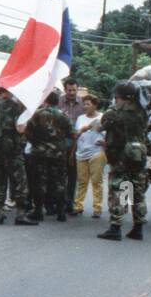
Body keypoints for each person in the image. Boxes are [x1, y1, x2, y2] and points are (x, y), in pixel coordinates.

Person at [95, 82, 149, 240]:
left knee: (117, 189)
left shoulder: (113, 112)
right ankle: (138, 228)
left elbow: (100, 127)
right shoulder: (141, 111)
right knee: (136, 191)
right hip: (138, 156)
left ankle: (115, 227)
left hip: (120, 156)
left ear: (118, 96)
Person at [0, 84, 36, 226]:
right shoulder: (14, 106)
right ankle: (20, 215)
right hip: (12, 148)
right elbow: (20, 129)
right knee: (20, 181)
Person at [26, 91, 73, 222]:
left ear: (45, 100)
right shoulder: (63, 115)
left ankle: (38, 211)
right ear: (57, 102)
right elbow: (71, 133)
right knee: (59, 182)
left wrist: (36, 143)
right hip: (58, 153)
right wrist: (62, 145)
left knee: (39, 182)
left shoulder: (37, 114)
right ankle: (61, 212)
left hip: (39, 153)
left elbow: (27, 131)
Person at [72, 94, 105, 218]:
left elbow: (107, 133)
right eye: (84, 104)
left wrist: (104, 143)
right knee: (82, 181)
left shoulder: (102, 117)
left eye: (88, 104)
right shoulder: (80, 118)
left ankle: (97, 208)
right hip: (81, 152)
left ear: (95, 105)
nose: (85, 106)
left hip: (96, 152)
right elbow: (76, 134)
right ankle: (78, 206)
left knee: (97, 181)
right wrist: (83, 130)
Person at [58, 77, 83, 214]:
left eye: (74, 90)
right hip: (60, 142)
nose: (72, 93)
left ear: (77, 89)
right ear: (65, 89)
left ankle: (70, 202)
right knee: (59, 174)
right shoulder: (58, 102)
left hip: (77, 143)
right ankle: (58, 202)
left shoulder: (83, 104)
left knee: (73, 175)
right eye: (69, 90)